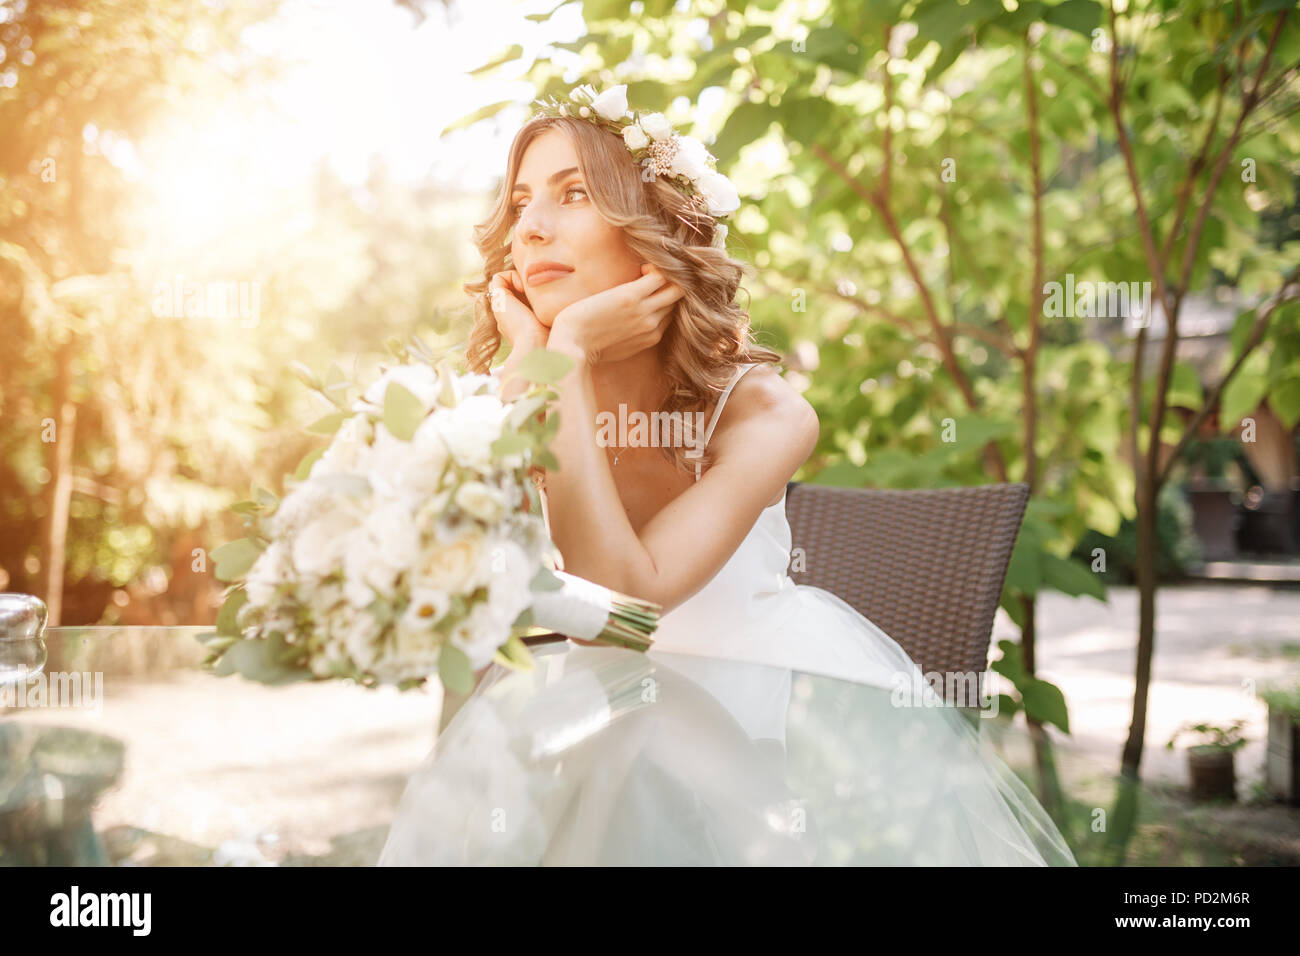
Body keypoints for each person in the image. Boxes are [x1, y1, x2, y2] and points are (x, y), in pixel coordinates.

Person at [377, 85, 1077, 866]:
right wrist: (539, 369)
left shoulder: (766, 413)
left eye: (573, 194)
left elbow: (622, 604)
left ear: (657, 230)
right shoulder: (510, 396)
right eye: (520, 202)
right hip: (571, 735)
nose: (531, 226)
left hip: (746, 748)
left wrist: (566, 348)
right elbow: (467, 636)